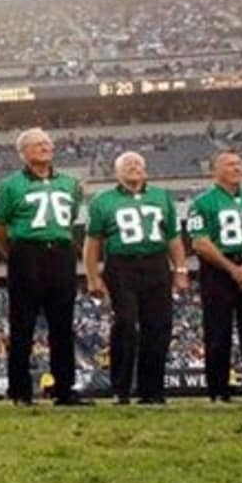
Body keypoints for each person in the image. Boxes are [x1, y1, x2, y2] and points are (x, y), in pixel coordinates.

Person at [0, 127, 91, 406]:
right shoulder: (10, 185)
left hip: (60, 252)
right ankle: (21, 391)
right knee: (22, 325)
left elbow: (69, 218)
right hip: (26, 252)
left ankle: (64, 388)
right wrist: (14, 254)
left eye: (47, 143)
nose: (45, 147)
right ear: (23, 153)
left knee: (62, 325)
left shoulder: (70, 183)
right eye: (37, 144)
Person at [83, 151, 188, 405]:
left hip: (156, 263)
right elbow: (92, 242)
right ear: (116, 173)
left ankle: (152, 390)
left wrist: (181, 270)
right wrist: (92, 277)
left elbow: (173, 237)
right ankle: (121, 388)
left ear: (146, 170)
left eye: (138, 163)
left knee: (159, 326)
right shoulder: (102, 200)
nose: (134, 167)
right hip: (121, 265)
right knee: (126, 323)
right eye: (127, 164)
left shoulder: (161, 196)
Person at [186, 149, 242, 402]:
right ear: (215, 170)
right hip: (218, 271)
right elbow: (200, 242)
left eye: (239, 164)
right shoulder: (202, 202)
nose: (237, 168)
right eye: (229, 165)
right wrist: (232, 269)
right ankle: (218, 390)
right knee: (218, 332)